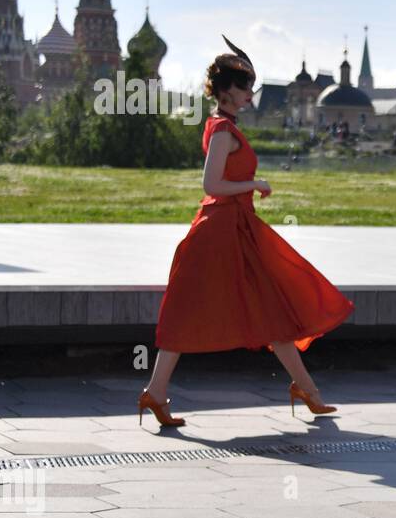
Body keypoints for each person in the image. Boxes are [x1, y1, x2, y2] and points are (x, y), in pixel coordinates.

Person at [138, 36, 355, 428]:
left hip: (236, 229)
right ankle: (155, 393)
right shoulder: (222, 130)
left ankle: (307, 389)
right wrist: (252, 185)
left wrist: (248, 187)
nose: (251, 96)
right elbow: (211, 185)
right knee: (189, 311)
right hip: (218, 232)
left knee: (269, 309)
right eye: (245, 89)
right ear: (226, 91)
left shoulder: (227, 127)